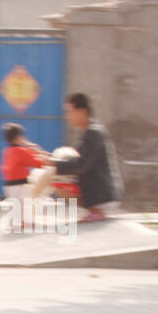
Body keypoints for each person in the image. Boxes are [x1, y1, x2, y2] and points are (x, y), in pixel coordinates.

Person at [53, 92, 122, 224]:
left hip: (103, 194)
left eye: (70, 111)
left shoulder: (94, 132)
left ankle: (96, 211)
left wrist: (53, 164)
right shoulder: (87, 132)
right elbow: (73, 160)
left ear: (82, 111)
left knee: (55, 179)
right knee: (56, 182)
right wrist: (49, 160)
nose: (67, 116)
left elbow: (81, 165)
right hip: (99, 192)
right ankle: (93, 211)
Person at [0, 122, 48, 232]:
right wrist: (35, 149)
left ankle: (19, 222)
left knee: (17, 204)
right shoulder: (20, 151)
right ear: (18, 137)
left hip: (8, 183)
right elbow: (36, 162)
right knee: (22, 204)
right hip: (19, 183)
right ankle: (19, 223)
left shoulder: (6, 150)